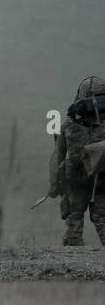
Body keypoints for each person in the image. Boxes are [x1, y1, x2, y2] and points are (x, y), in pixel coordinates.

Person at [49, 76, 105, 246]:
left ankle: (74, 260)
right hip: (102, 179)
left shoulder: (67, 125)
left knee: (74, 219)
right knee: (102, 218)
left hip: (75, 179)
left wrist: (54, 186)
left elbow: (57, 158)